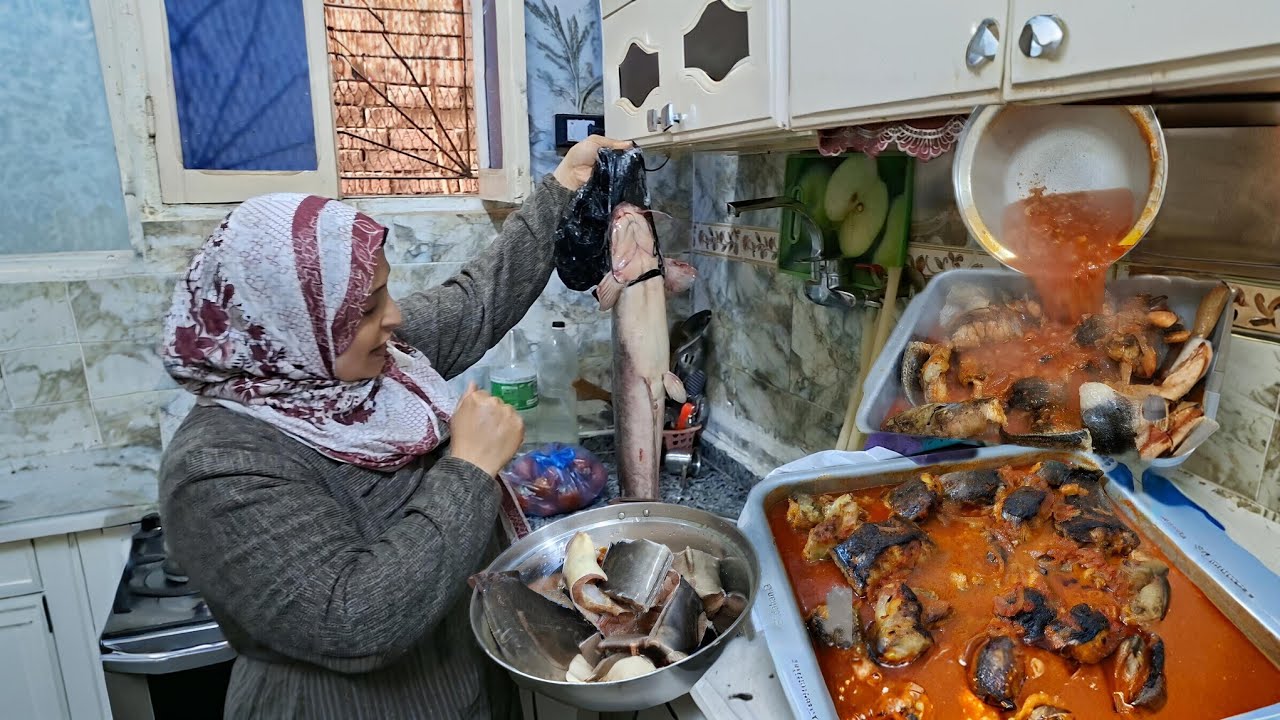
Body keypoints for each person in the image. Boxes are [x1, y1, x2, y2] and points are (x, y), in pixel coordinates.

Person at [158, 135, 632, 719]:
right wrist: (468, 469)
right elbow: (353, 621)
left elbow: (476, 300)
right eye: (366, 308)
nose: (395, 316)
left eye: (383, 291)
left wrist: (561, 188)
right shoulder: (219, 468)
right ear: (285, 326)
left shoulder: (369, 368)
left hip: (461, 682)